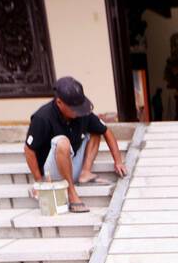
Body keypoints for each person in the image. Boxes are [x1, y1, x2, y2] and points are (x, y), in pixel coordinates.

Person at [23, 76, 126, 213]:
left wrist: (118, 161)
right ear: (59, 102)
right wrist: (39, 182)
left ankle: (85, 173)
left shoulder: (83, 113)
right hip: (52, 174)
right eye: (74, 108)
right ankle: (72, 194)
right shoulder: (43, 117)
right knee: (62, 141)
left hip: (71, 165)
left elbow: (106, 131)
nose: (78, 112)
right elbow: (29, 150)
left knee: (96, 132)